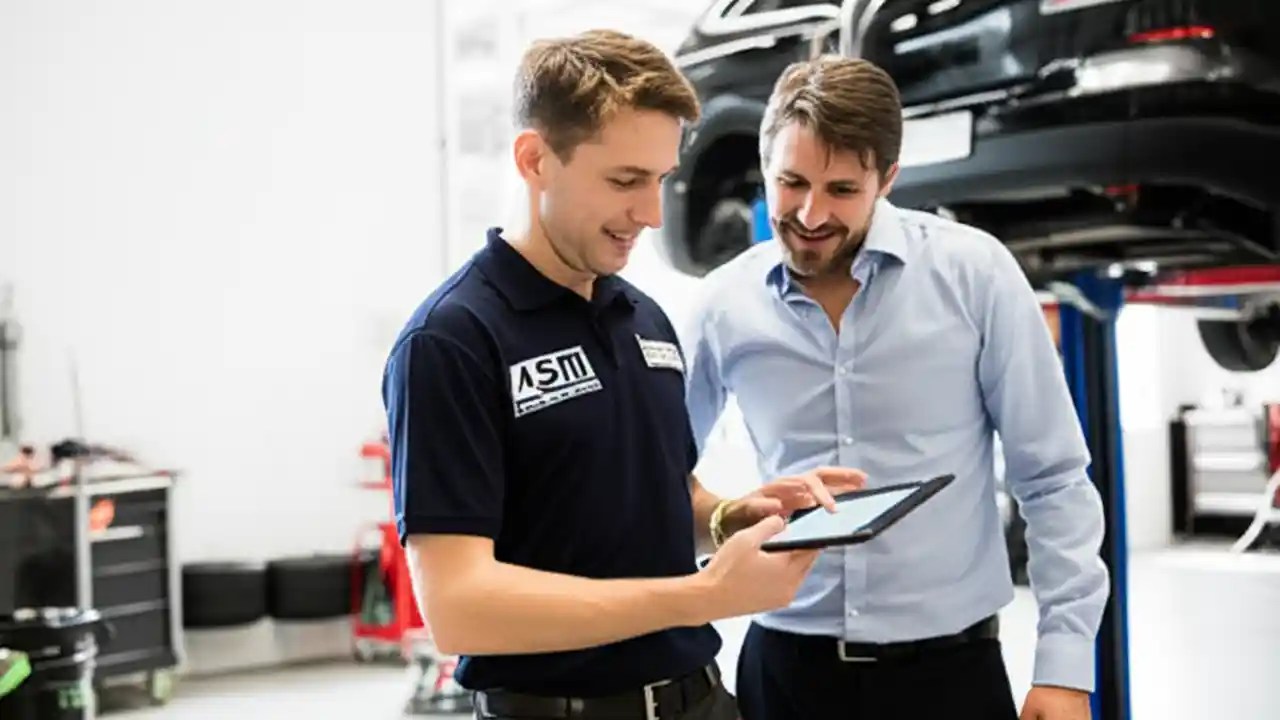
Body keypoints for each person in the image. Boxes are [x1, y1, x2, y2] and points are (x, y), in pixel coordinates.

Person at [381, 30, 865, 720]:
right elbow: (458, 606)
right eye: (624, 181)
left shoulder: (645, 319)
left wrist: (732, 517)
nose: (652, 213)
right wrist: (702, 597)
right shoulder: (452, 342)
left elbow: (663, 496)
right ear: (535, 159)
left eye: (661, 179)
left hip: (698, 701)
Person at [680, 56, 1110, 720]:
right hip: (786, 673)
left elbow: (1052, 478)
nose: (810, 212)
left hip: (949, 677)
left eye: (842, 189)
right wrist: (725, 516)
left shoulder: (975, 275)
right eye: (790, 182)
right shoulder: (722, 304)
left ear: (888, 179)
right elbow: (655, 475)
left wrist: (1065, 668)